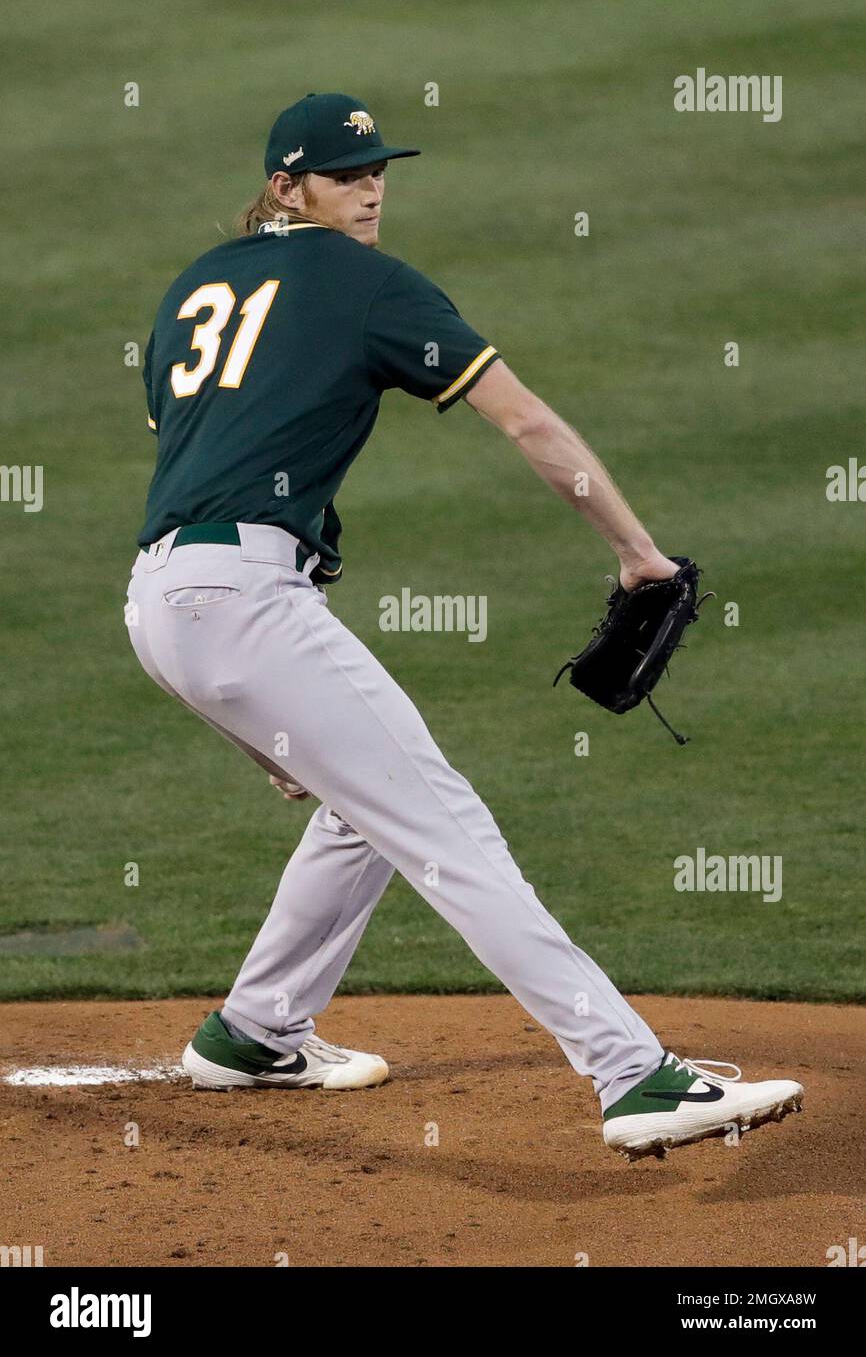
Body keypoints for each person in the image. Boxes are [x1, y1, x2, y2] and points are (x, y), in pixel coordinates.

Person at [125, 92, 803, 1160]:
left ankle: (253, 1031)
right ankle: (632, 1076)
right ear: (285, 186)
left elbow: (196, 462)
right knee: (447, 826)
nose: (372, 187)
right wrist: (636, 552)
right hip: (246, 604)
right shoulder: (362, 283)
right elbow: (526, 418)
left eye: (378, 170)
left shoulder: (188, 289)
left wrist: (245, 719)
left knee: (361, 806)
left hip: (162, 606)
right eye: (347, 174)